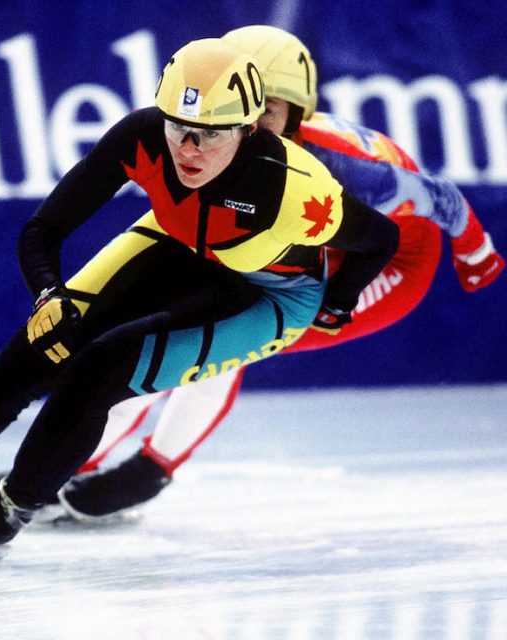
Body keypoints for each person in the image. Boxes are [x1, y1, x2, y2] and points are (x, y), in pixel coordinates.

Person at [0, 37, 399, 552]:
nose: (188, 151)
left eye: (209, 137)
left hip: (270, 291)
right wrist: (48, 296)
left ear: (246, 130)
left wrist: (336, 305)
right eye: (180, 130)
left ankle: (8, 510)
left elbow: (382, 238)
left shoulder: (291, 190)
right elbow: (44, 230)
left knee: (99, 371)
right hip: (181, 243)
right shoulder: (142, 135)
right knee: (27, 358)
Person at [27, 25, 505, 523]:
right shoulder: (222, 149)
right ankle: (83, 466)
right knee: (172, 338)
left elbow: (442, 199)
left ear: (297, 116)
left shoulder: (339, 169)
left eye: (266, 109)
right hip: (322, 244)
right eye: (230, 106)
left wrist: (477, 257)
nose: (245, 122)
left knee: (203, 346)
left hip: (390, 264)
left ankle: (144, 468)